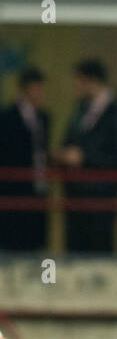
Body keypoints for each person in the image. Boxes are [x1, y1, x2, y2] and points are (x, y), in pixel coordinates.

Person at [55, 59, 117, 253]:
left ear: (92, 81)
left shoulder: (116, 115)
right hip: (76, 195)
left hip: (100, 197)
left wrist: (85, 157)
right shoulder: (80, 110)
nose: (76, 87)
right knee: (75, 248)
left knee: (98, 248)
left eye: (80, 81)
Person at [0, 67, 51, 251]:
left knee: (35, 239)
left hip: (38, 185)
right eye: (36, 88)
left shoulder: (44, 117)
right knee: (14, 237)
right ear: (25, 89)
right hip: (14, 187)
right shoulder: (7, 117)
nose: (39, 93)